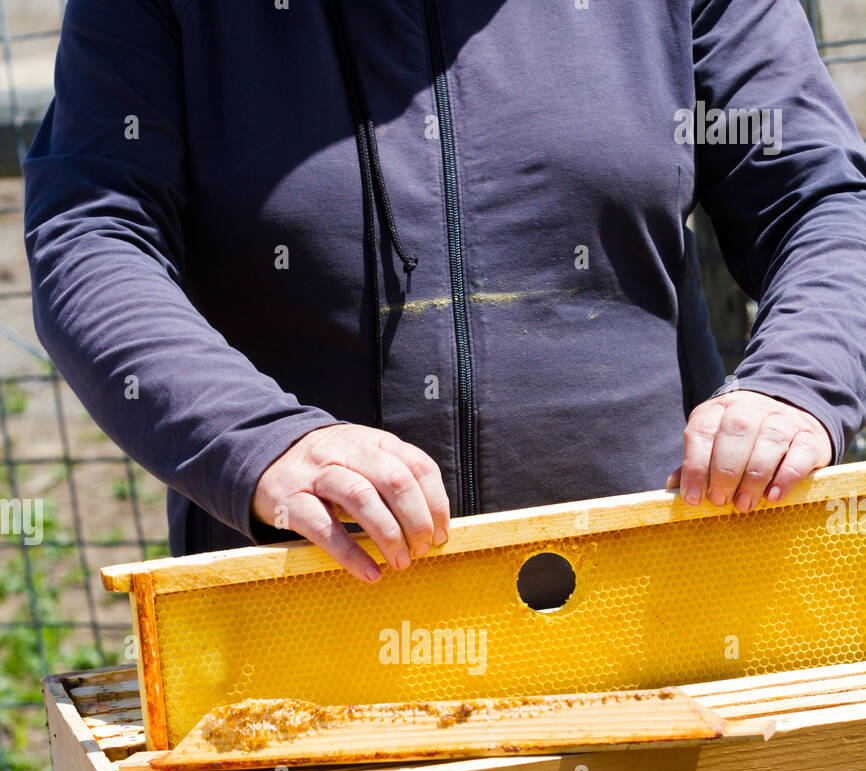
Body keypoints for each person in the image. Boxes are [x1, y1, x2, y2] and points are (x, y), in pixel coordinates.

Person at [23, 0, 866, 583]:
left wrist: (797, 382)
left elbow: (821, 199)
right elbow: (94, 236)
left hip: (661, 594)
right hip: (304, 612)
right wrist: (258, 442)